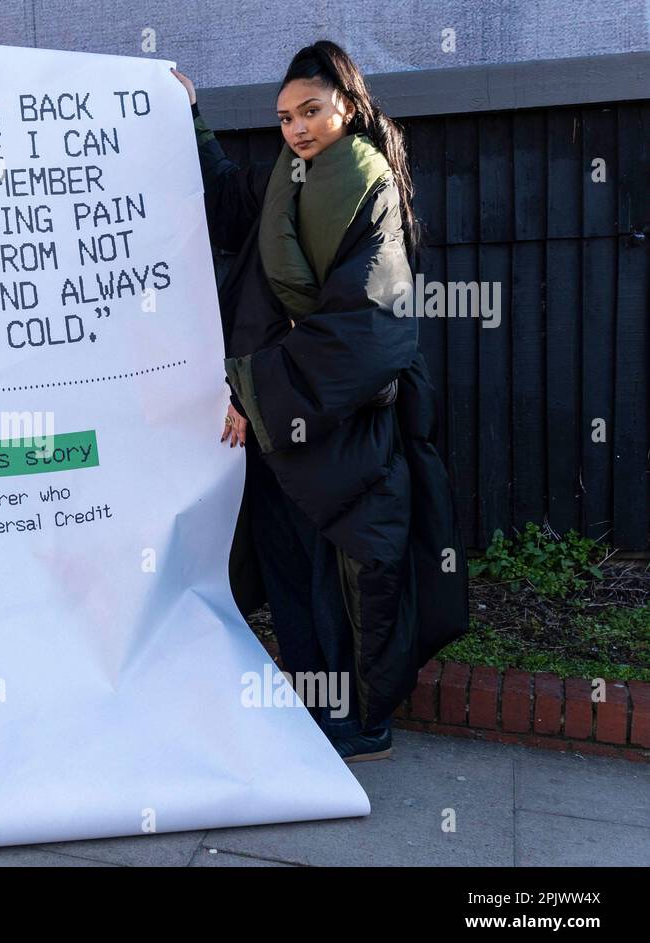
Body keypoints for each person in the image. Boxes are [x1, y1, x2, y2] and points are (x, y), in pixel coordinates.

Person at [174, 41, 468, 761]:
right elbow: (230, 209)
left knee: (341, 580)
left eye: (311, 110)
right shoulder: (292, 177)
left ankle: (361, 724)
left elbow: (366, 328)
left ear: (347, 104)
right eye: (285, 117)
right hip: (279, 424)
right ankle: (315, 714)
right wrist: (190, 120)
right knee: (290, 574)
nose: (298, 128)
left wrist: (255, 391)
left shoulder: (369, 188)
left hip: (336, 426)